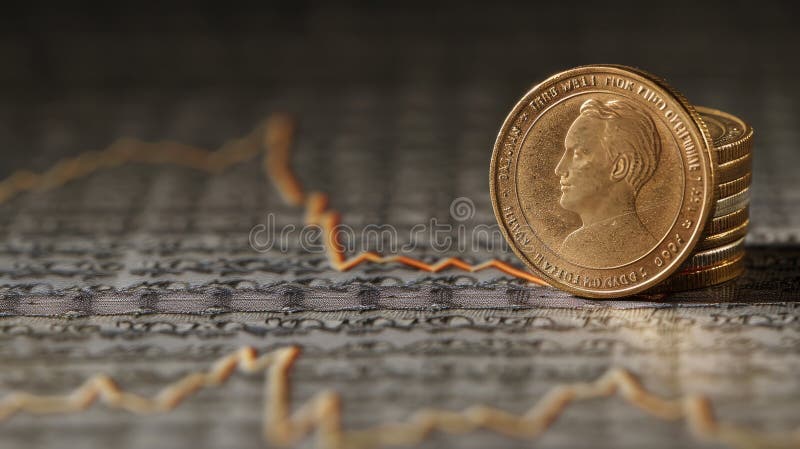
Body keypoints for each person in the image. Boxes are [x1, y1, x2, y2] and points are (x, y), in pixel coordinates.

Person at [554, 98, 661, 268]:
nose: (559, 169)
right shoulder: (577, 244)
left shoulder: (579, 247)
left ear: (619, 167)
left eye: (578, 154)